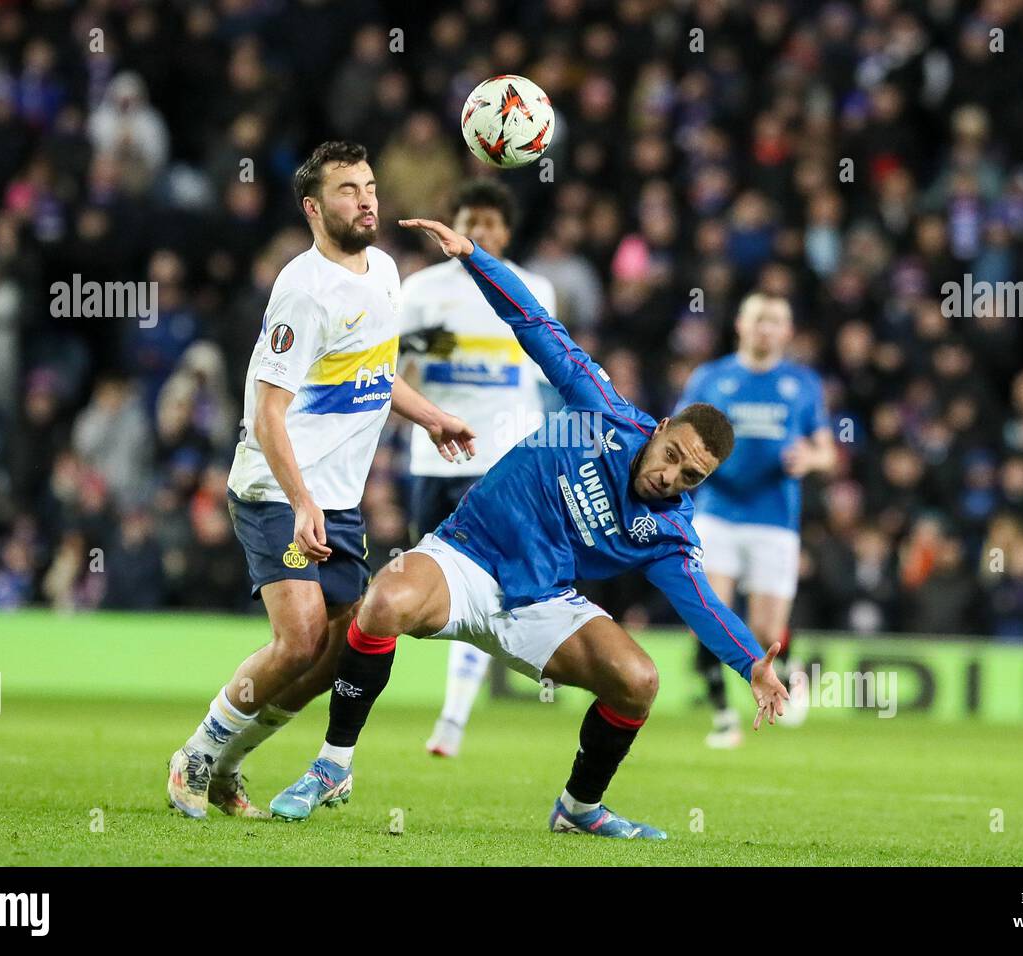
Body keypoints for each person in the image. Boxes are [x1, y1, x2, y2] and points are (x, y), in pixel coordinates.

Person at [267, 217, 790, 839]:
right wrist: (474, 258)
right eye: (673, 455)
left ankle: (578, 809)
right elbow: (540, 328)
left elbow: (701, 603)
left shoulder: (669, 532)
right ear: (662, 426)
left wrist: (752, 663)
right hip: (466, 557)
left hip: (543, 601)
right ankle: (333, 766)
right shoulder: (602, 413)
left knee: (638, 682)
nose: (672, 477)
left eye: (691, 477)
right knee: (384, 599)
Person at [166, 143, 475, 819]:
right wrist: (302, 500)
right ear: (313, 207)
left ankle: (228, 765)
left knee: (334, 655)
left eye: (368, 186)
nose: (365, 199)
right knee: (300, 637)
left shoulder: (387, 272)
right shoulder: (302, 290)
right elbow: (267, 412)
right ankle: (195, 753)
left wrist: (432, 418)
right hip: (278, 489)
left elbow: (376, 372)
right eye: (346, 190)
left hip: (339, 501)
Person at [398, 179, 556, 758]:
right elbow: (382, 363)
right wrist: (419, 344)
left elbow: (549, 367)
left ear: (506, 233)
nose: (481, 233)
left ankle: (453, 717)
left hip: (499, 458)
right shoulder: (418, 289)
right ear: (454, 228)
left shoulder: (531, 288)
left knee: (480, 584)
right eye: (471, 222)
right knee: (429, 596)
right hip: (431, 456)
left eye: (491, 224)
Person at [677, 294, 836, 746]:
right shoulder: (711, 378)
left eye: (776, 322)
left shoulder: (802, 384)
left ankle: (789, 672)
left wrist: (811, 457)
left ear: (787, 332)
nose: (767, 329)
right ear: (741, 326)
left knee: (767, 630)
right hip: (717, 512)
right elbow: (679, 432)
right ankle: (724, 715)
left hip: (774, 519)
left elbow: (827, 450)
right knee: (709, 616)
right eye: (759, 320)